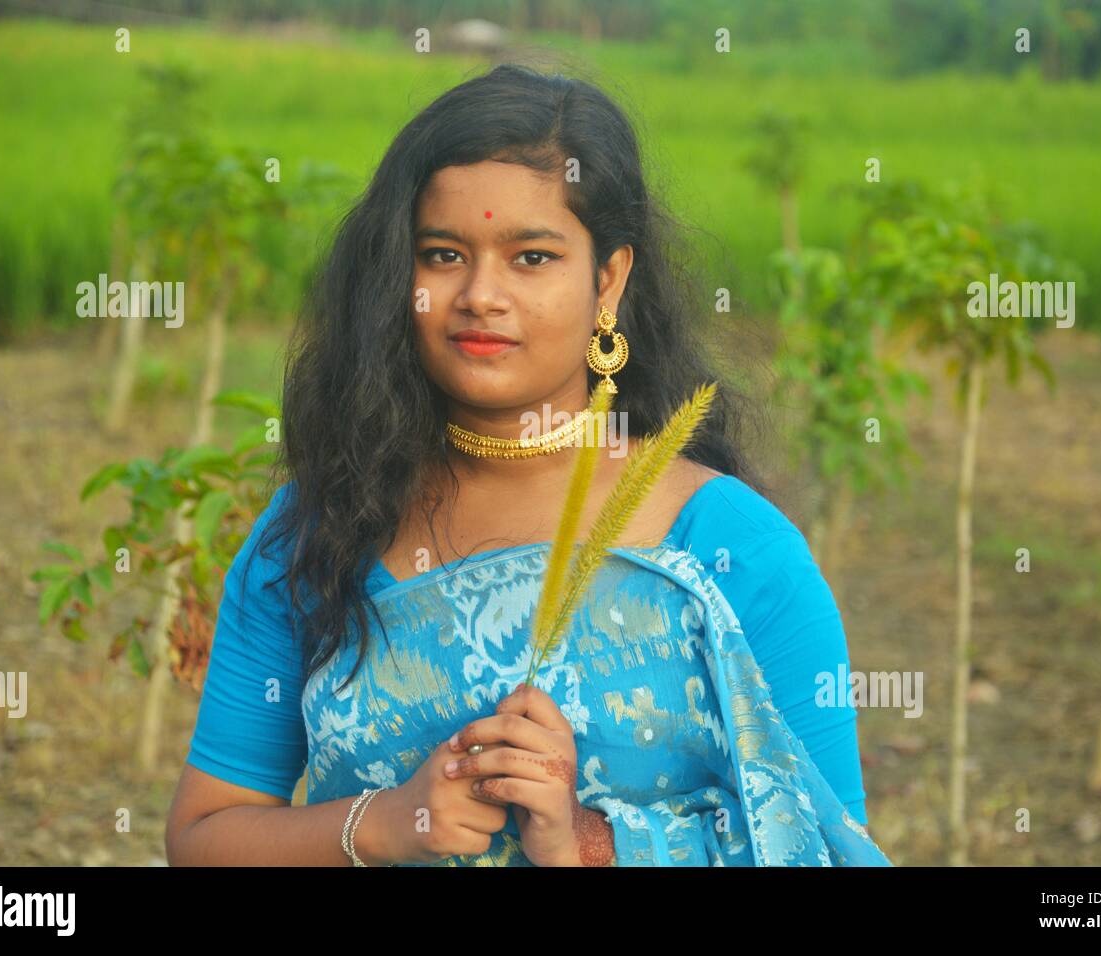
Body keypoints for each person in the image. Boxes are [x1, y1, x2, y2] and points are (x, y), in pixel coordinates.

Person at [165, 62, 891, 867]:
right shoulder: (319, 530)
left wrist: (594, 846)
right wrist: (385, 821)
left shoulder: (734, 552)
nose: (481, 294)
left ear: (607, 280)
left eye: (532, 258)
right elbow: (203, 838)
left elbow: (829, 851)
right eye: (442, 254)